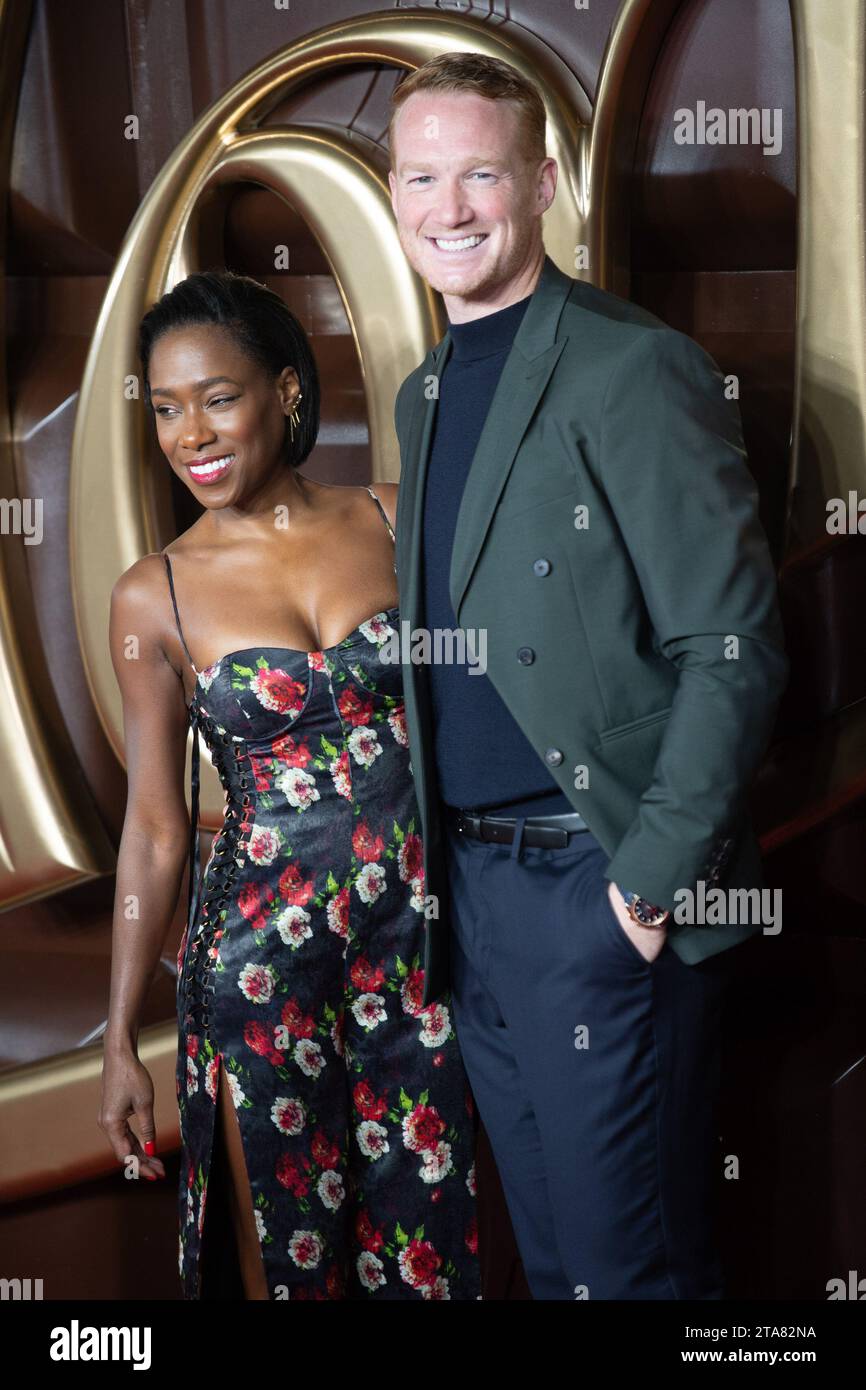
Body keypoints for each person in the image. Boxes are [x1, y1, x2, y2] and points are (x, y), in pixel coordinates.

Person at [387, 53, 790, 1299]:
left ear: (543, 185)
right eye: (418, 177)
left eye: (478, 174)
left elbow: (732, 647)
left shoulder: (630, 367)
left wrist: (645, 889)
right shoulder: (423, 392)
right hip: (475, 896)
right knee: (557, 1268)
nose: (447, 208)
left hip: (597, 885)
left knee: (634, 1276)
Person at [98, 270, 480, 1301]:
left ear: (286, 391)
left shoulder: (394, 518)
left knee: (429, 1243)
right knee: (292, 1249)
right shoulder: (156, 592)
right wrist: (122, 1035)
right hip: (259, 968)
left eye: (216, 398)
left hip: (424, 947)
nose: (190, 434)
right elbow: (154, 827)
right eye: (166, 409)